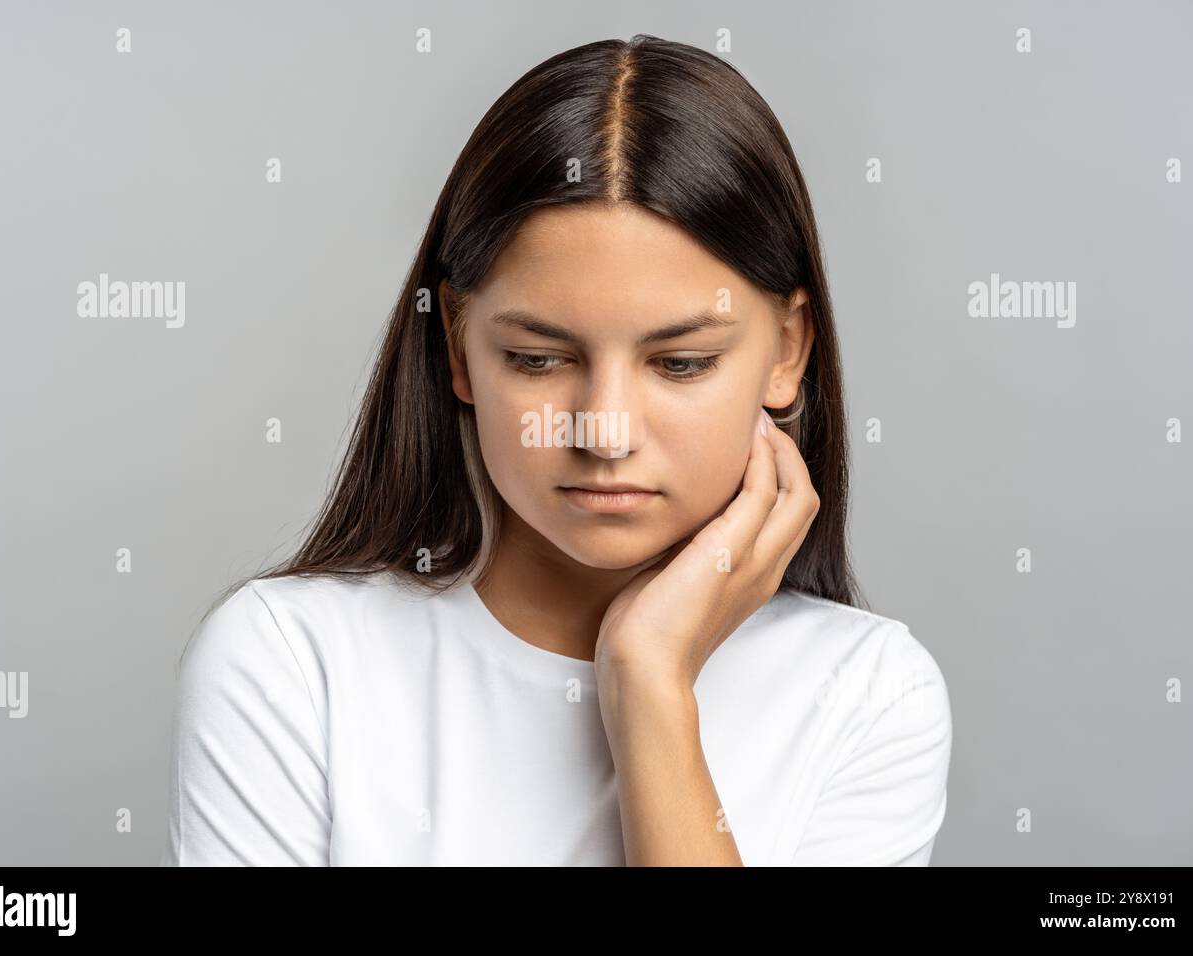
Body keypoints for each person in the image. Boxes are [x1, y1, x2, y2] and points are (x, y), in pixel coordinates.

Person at [161, 33, 952, 866]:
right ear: (460, 347)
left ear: (787, 351)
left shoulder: (868, 695)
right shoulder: (290, 663)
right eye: (538, 359)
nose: (603, 432)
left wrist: (648, 685)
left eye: (680, 363)